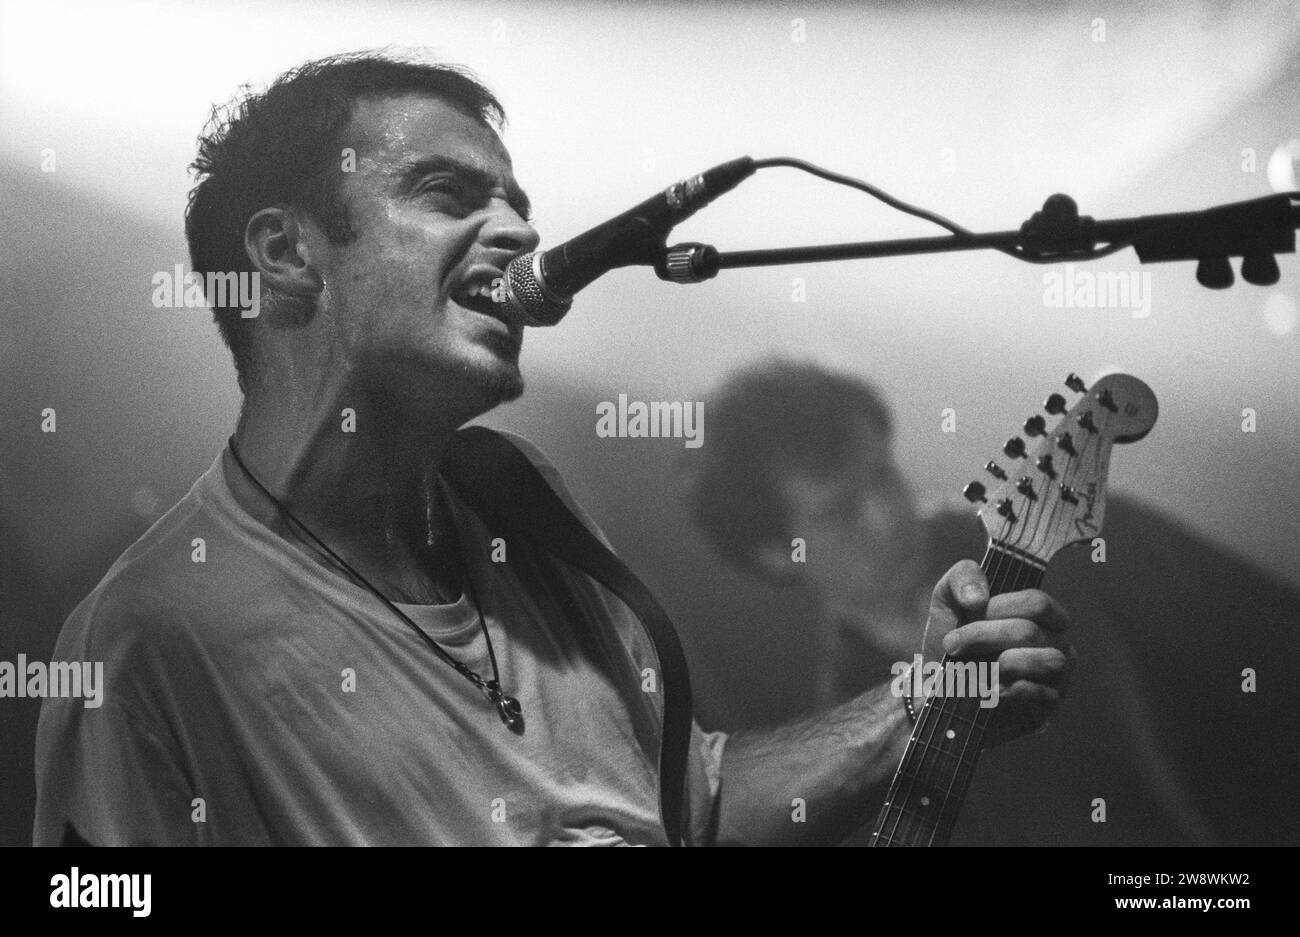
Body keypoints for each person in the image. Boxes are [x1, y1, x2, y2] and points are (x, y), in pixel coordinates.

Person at [32, 52, 1072, 847]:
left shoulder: (518, 501)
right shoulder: (147, 637)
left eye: (519, 206)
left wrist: (922, 700)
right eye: (448, 194)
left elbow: (687, 803)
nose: (520, 236)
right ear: (286, 253)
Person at [686, 357, 1300, 845]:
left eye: (883, 476)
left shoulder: (1075, 539)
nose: (888, 515)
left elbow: (1274, 630)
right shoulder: (841, 743)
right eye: (841, 512)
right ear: (772, 553)